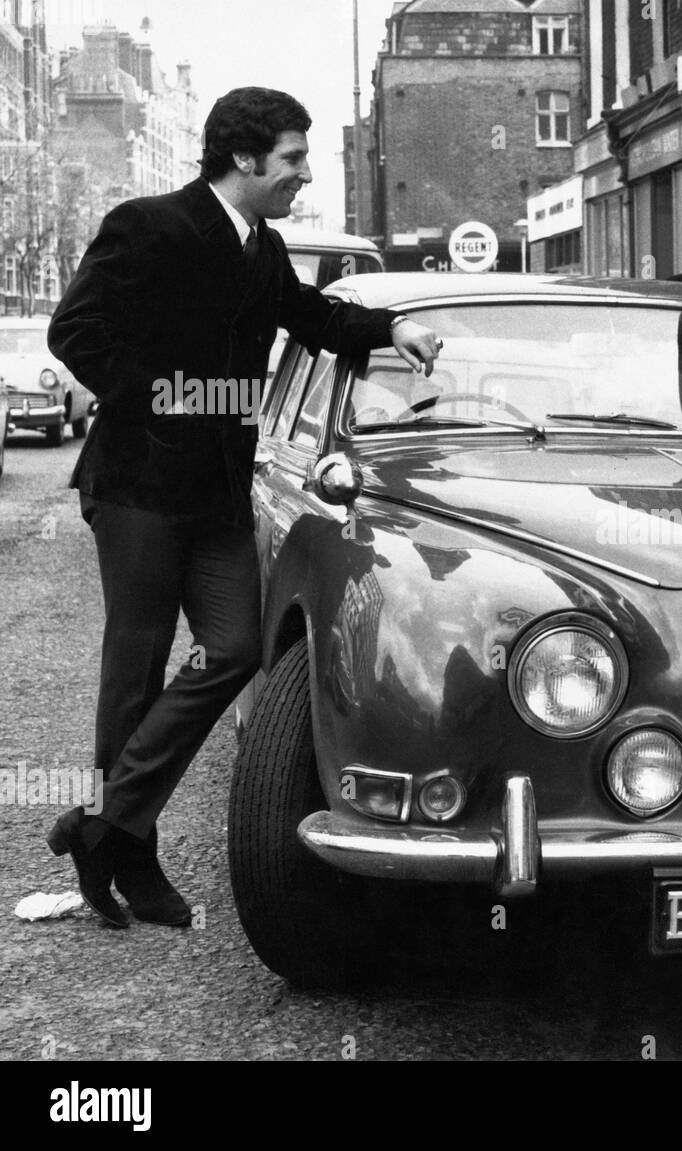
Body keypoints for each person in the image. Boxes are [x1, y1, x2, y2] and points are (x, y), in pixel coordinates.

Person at [45, 87, 443, 929]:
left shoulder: (261, 247)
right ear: (244, 158)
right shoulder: (148, 224)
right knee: (136, 668)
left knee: (231, 648)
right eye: (293, 159)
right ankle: (134, 857)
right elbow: (75, 330)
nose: (303, 174)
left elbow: (308, 315)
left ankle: (105, 825)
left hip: (218, 489)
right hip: (140, 486)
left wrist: (388, 329)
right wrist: (162, 404)